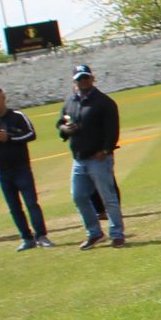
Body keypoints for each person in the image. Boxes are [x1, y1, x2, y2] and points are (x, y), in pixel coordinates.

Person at [57, 63, 127, 249]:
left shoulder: (104, 102)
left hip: (98, 159)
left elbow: (112, 130)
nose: (83, 81)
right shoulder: (70, 102)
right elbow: (60, 124)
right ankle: (94, 233)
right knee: (78, 196)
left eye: (86, 77)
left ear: (92, 78)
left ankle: (117, 233)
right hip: (79, 159)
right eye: (79, 79)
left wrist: (105, 151)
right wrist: (65, 129)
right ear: (74, 82)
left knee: (108, 197)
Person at [0, 87, 51, 249]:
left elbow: (31, 134)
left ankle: (41, 236)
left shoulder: (17, 117)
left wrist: (9, 137)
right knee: (14, 207)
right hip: (2, 172)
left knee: (32, 203)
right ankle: (26, 238)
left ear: (3, 98)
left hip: (21, 168)